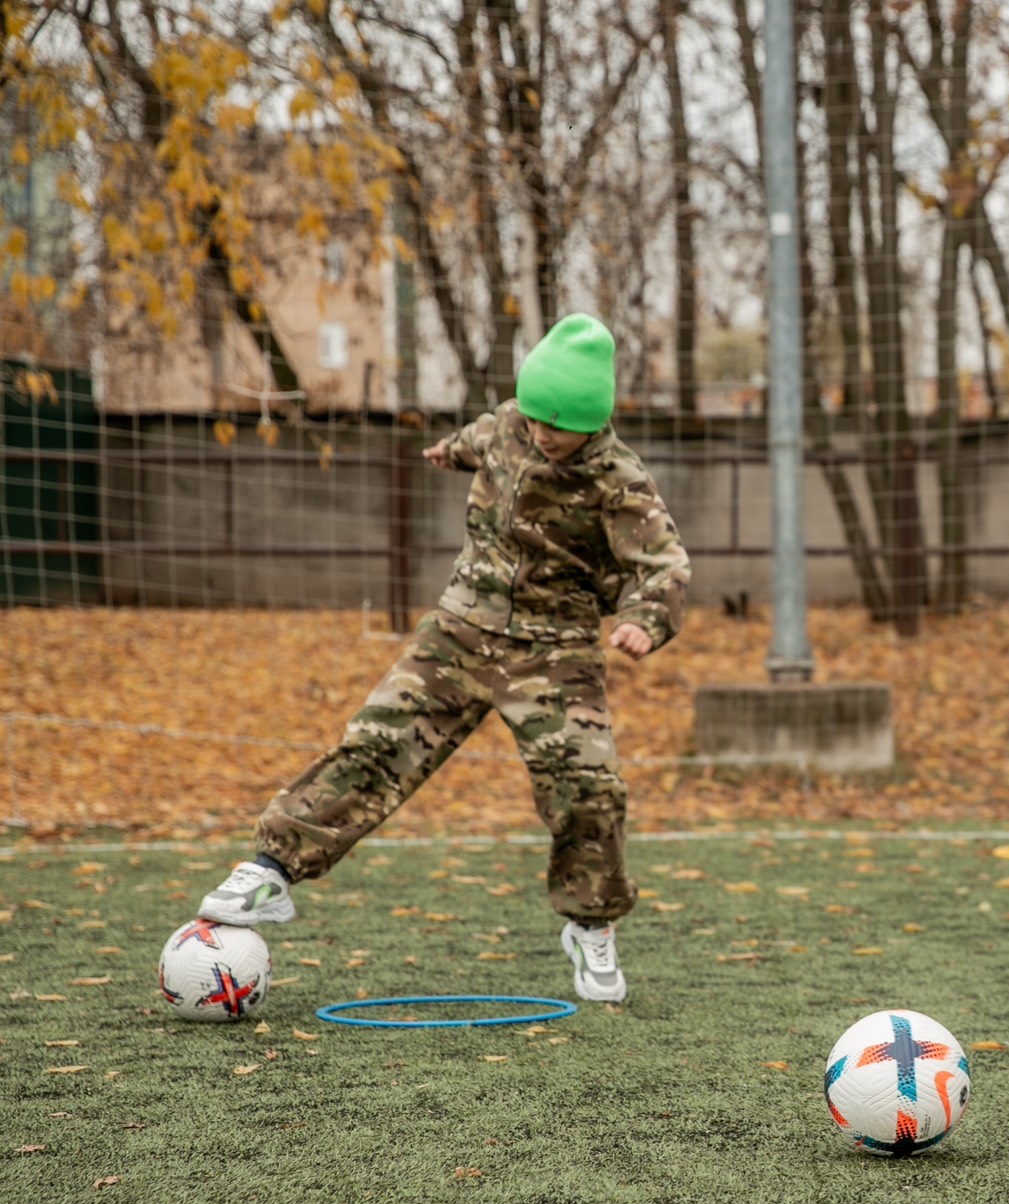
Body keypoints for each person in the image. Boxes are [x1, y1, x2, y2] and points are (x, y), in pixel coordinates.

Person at [197, 313, 691, 1003]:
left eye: (558, 424)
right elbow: (475, 440)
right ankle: (271, 867)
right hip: (461, 629)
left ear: (592, 422)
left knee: (590, 787)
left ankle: (591, 923)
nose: (541, 432)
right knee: (376, 741)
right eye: (535, 416)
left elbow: (665, 564)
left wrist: (644, 621)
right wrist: (446, 451)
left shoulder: (619, 479)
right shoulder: (507, 426)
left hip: (553, 651)